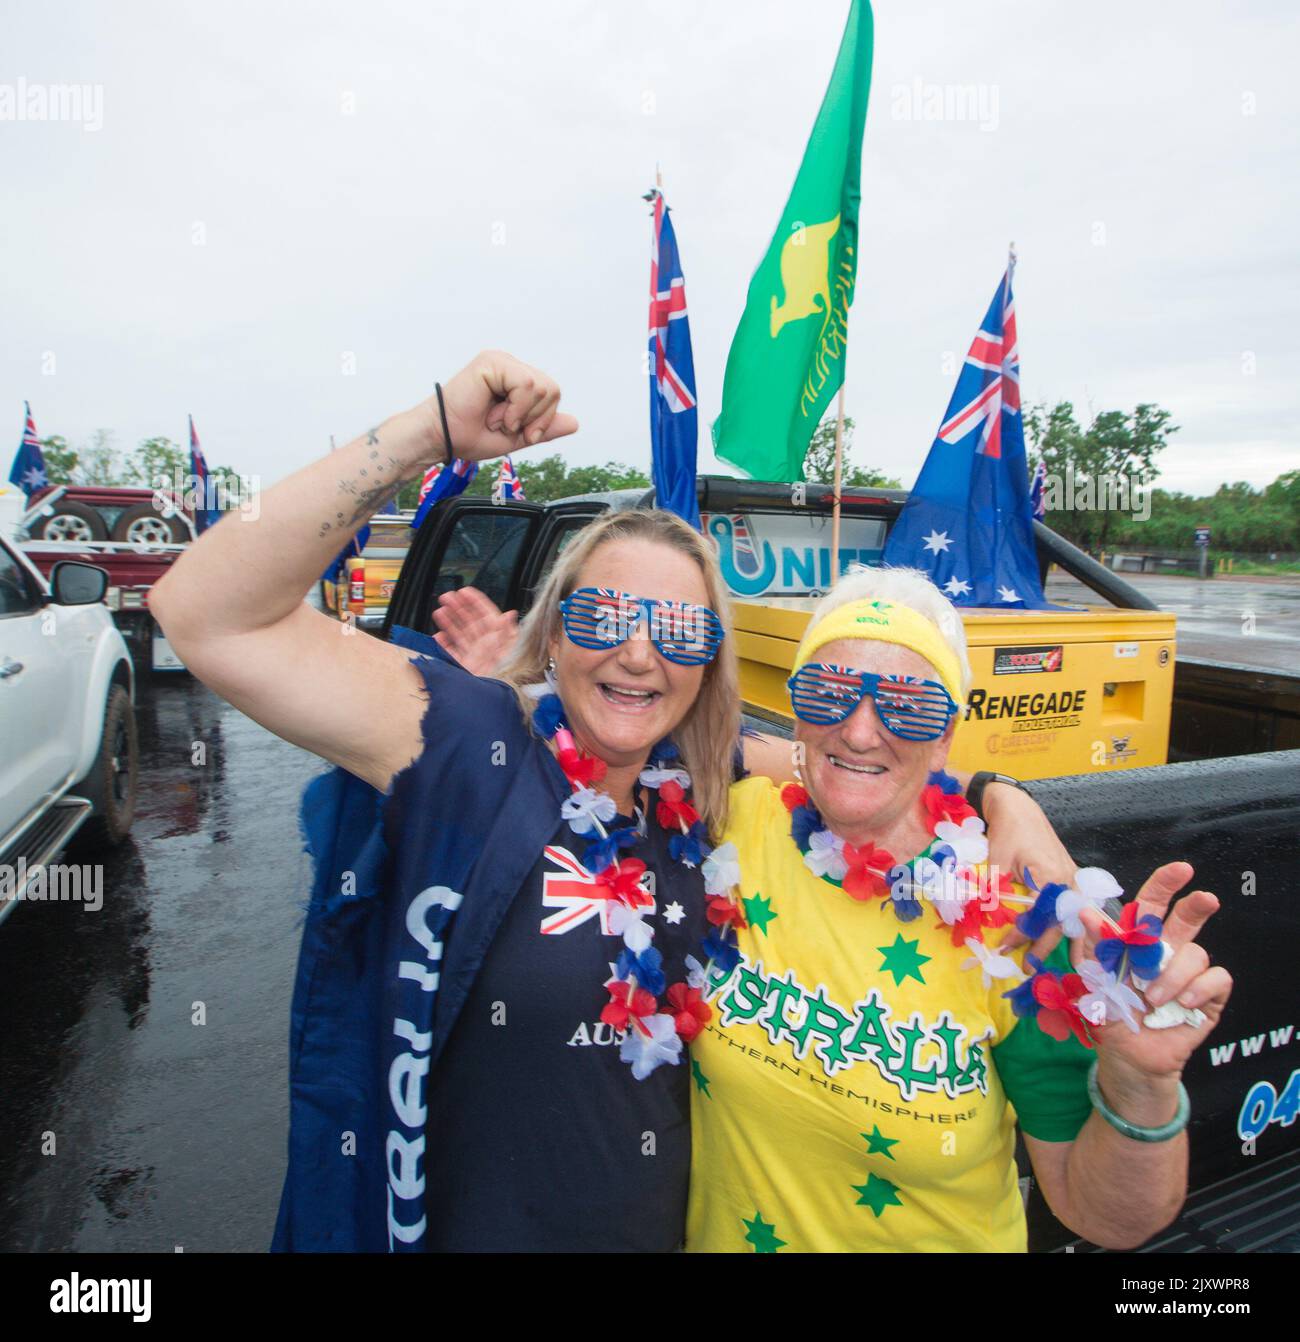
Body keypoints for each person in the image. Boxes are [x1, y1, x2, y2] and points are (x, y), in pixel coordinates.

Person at [150, 350, 1085, 1252]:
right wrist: (424, 434)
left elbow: (859, 753)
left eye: (676, 628)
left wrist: (1001, 797)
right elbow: (206, 614)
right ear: (554, 636)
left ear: (706, 660)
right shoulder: (471, 746)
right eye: (603, 618)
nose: (639, 654)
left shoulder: (707, 793)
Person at [683, 567, 1233, 1252]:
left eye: (908, 706)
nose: (859, 731)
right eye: (827, 694)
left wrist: (1140, 1085)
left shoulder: (1017, 913)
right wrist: (1001, 790)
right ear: (796, 709)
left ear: (946, 736)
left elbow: (1105, 1218)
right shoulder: (727, 820)